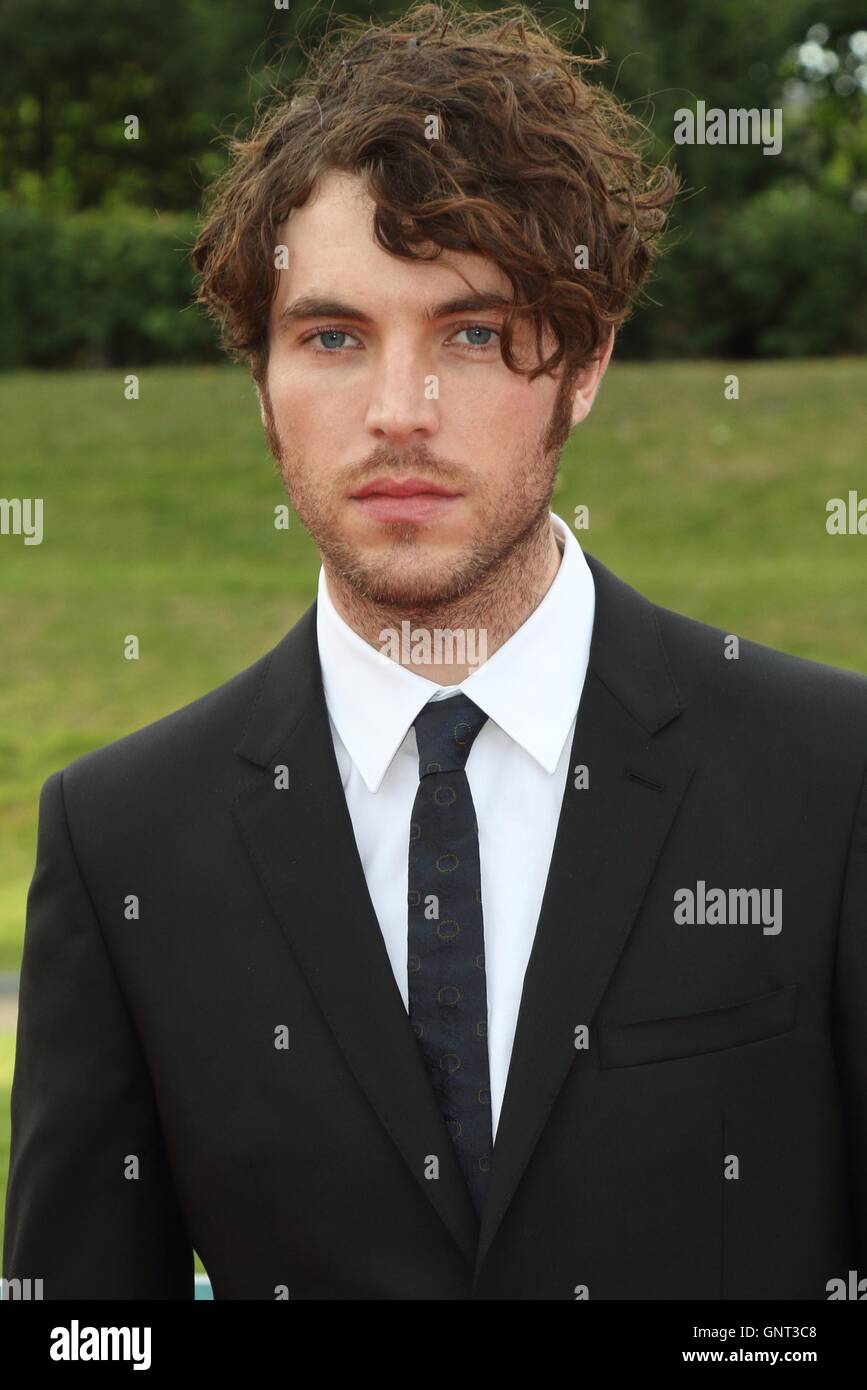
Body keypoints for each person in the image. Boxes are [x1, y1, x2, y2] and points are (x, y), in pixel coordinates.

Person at [4, 2, 866, 1300]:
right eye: (334, 337)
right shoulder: (121, 840)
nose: (396, 413)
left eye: (470, 332)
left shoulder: (834, 781)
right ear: (260, 374)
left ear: (583, 363)